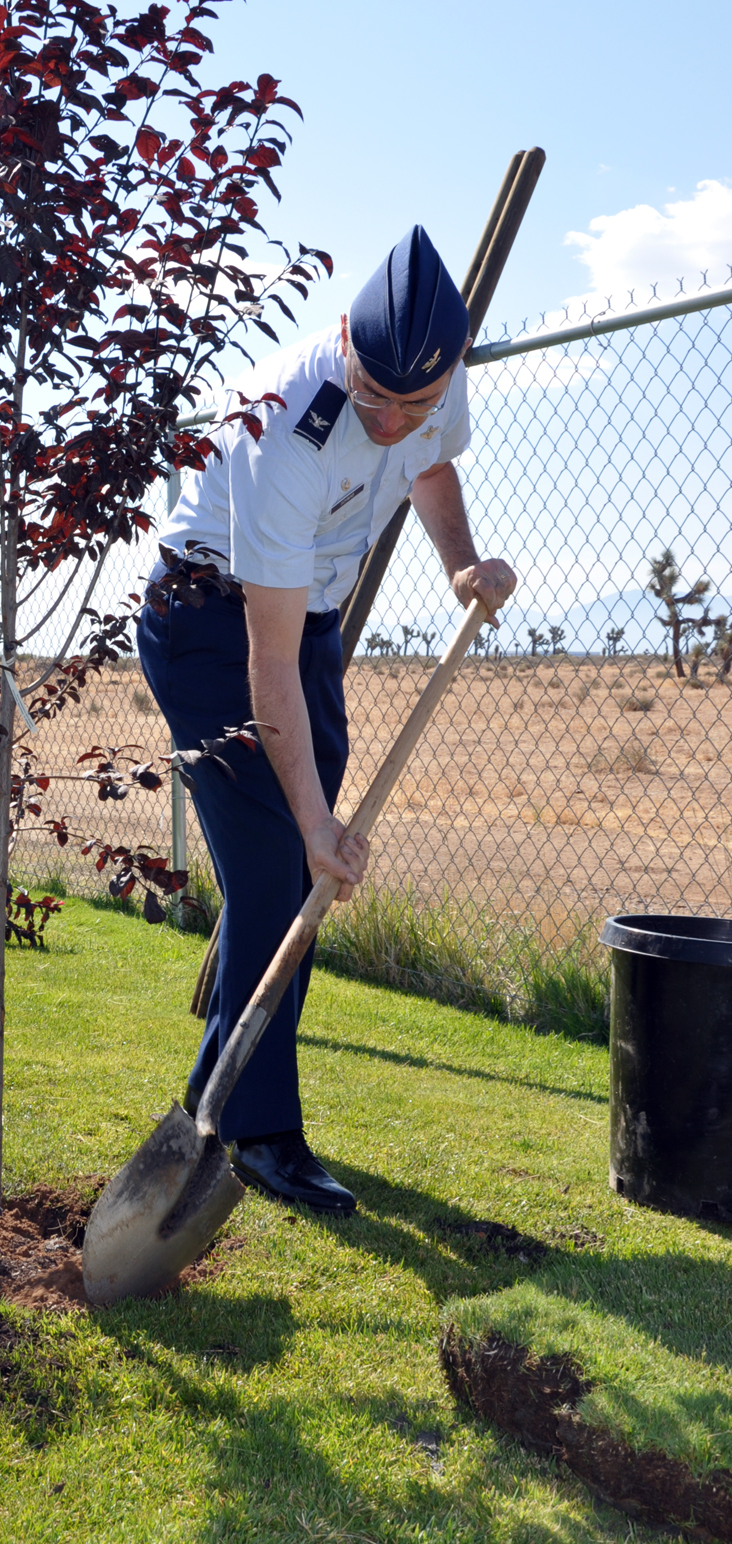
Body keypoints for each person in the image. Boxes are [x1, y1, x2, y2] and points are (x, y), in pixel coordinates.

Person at [142, 225, 518, 1211]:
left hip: (304, 617)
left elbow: (429, 466)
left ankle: (216, 1098)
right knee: (282, 861)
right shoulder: (287, 429)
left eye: (417, 401)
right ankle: (259, 1134)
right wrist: (313, 824)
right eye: (377, 396)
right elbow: (261, 668)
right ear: (345, 338)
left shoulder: (434, 387)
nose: (393, 420)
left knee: (299, 859)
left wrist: (459, 564)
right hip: (208, 625)